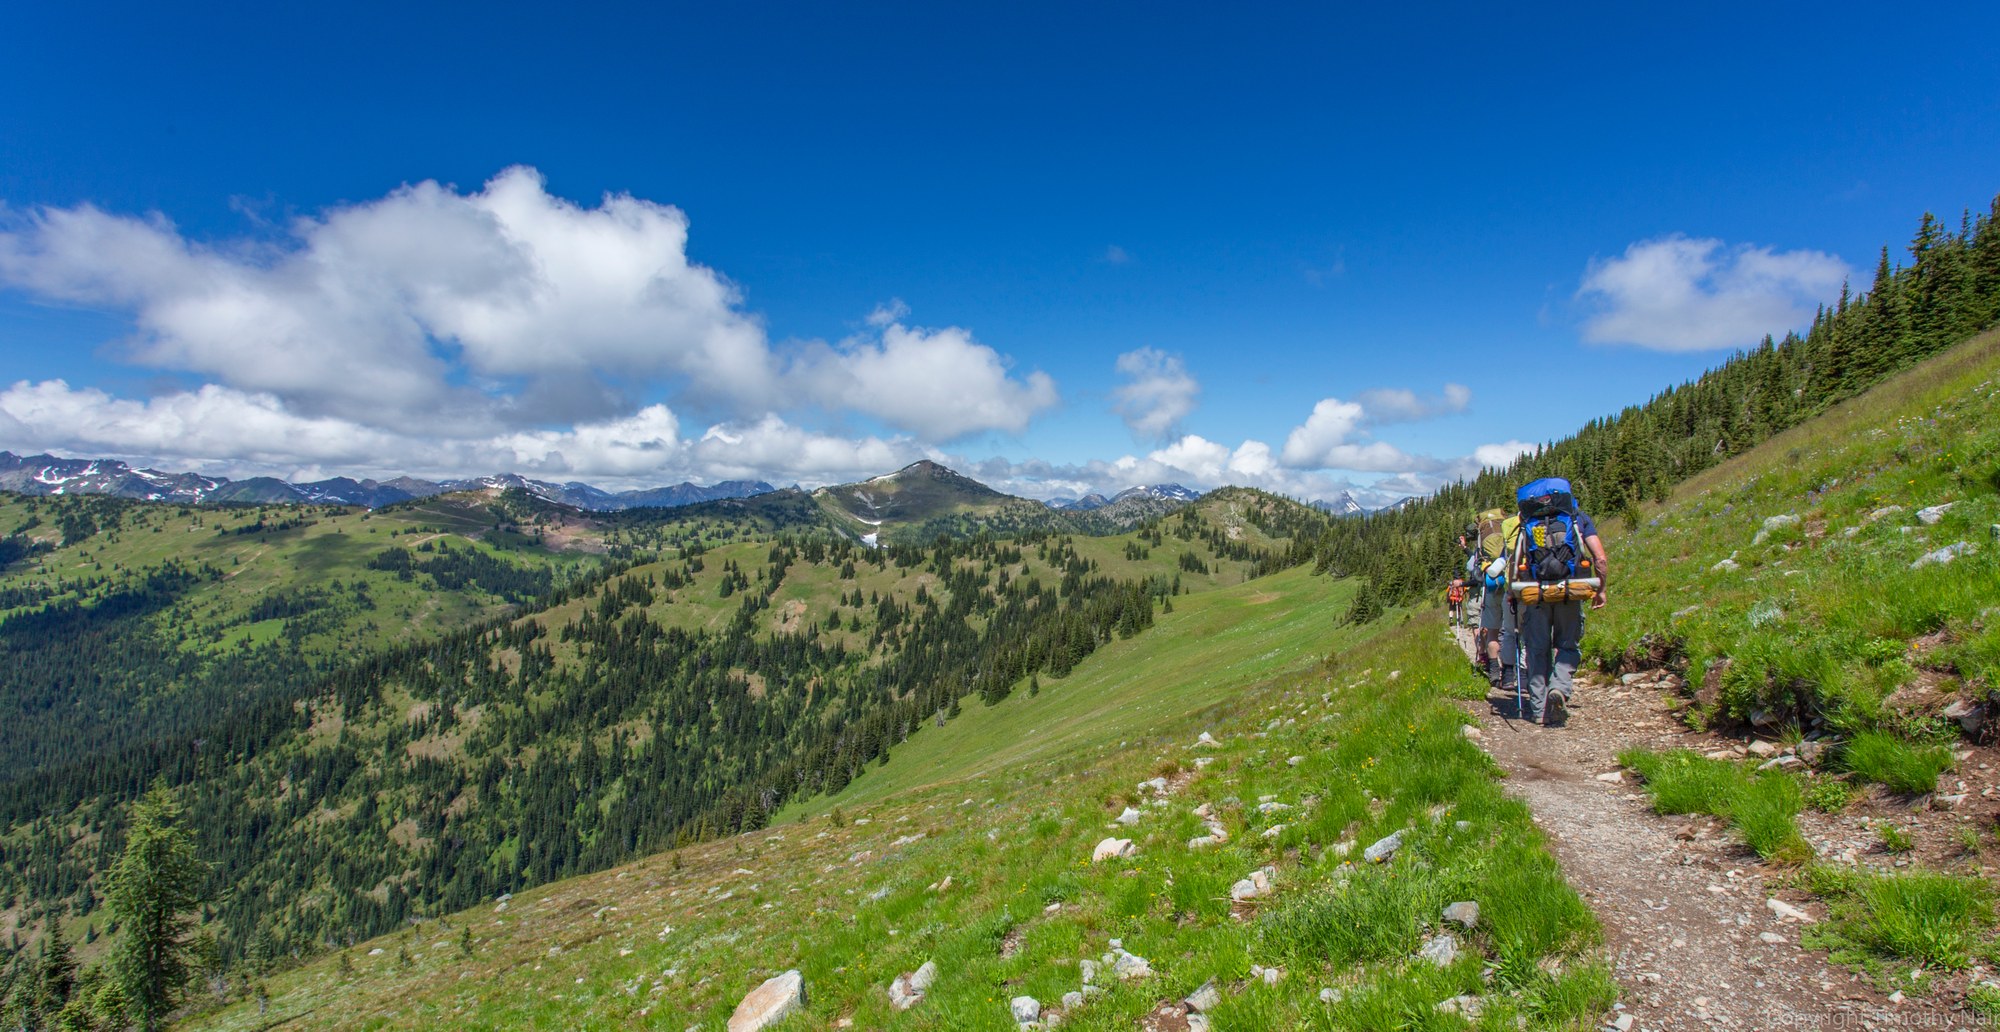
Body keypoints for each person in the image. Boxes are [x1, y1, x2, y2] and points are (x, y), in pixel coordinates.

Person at [1510, 479, 1609, 726]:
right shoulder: (1577, 518)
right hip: (1571, 592)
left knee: (1536, 651)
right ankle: (1560, 688)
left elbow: (1515, 561)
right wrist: (1601, 589)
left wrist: (1512, 593)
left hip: (1535, 595)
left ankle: (1539, 711)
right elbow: (1601, 559)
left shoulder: (1527, 522)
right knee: (1567, 646)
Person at [1471, 508, 1519, 690]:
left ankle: (1493, 672)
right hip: (1510, 585)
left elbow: (1475, 566)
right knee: (1511, 631)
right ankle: (1510, 673)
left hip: (1491, 586)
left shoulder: (1482, 538)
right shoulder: (1508, 531)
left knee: (1492, 631)